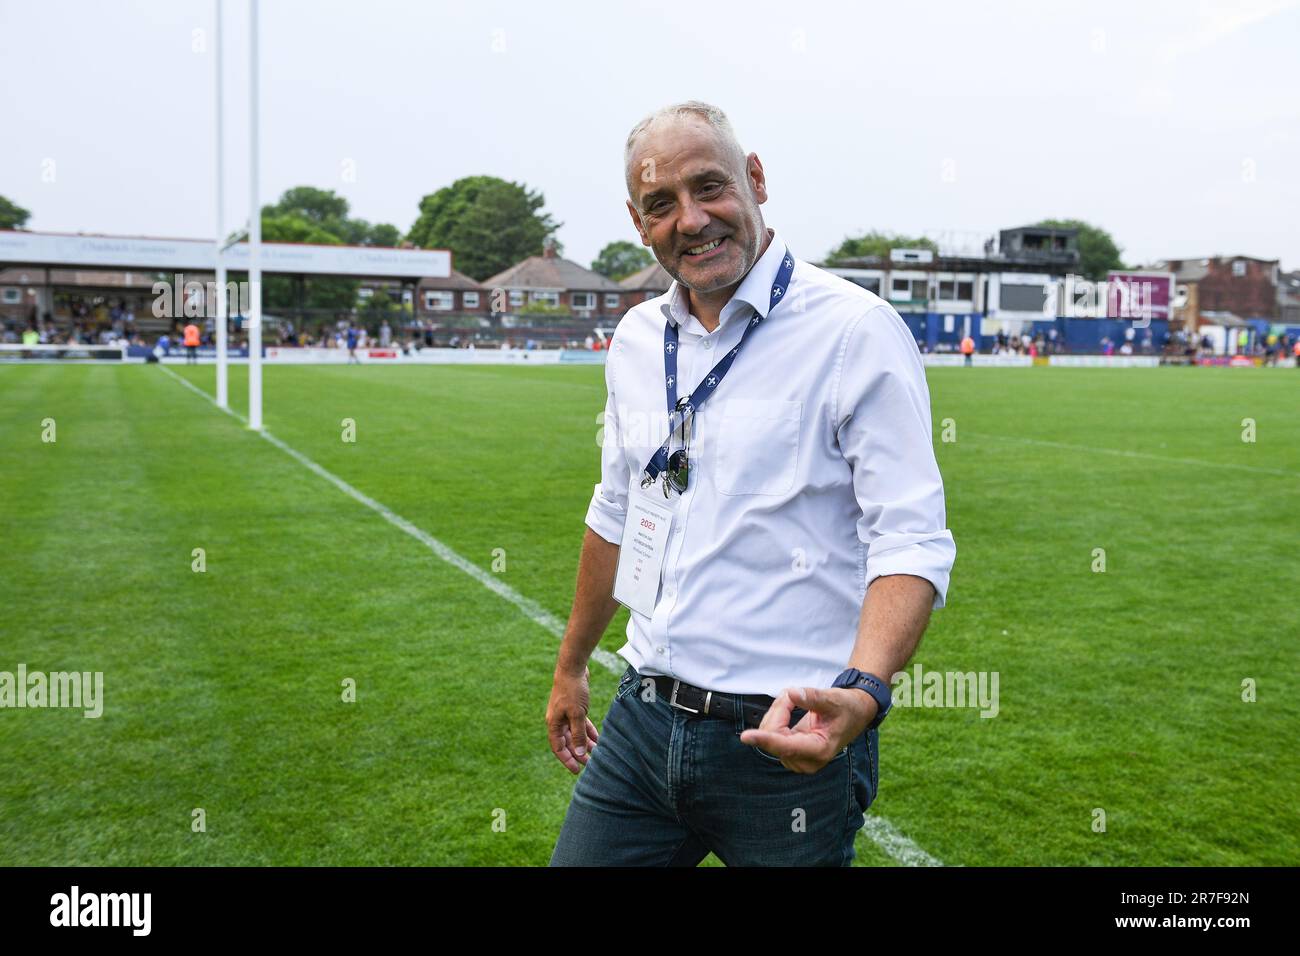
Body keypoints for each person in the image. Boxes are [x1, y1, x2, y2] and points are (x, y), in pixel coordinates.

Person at [546, 101, 955, 867]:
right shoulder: (638, 339)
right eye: (662, 205)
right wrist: (572, 667)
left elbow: (909, 537)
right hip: (643, 719)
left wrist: (863, 691)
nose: (693, 220)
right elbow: (616, 511)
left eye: (711, 188)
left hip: (784, 737)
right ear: (639, 225)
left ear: (756, 180)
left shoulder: (853, 331)